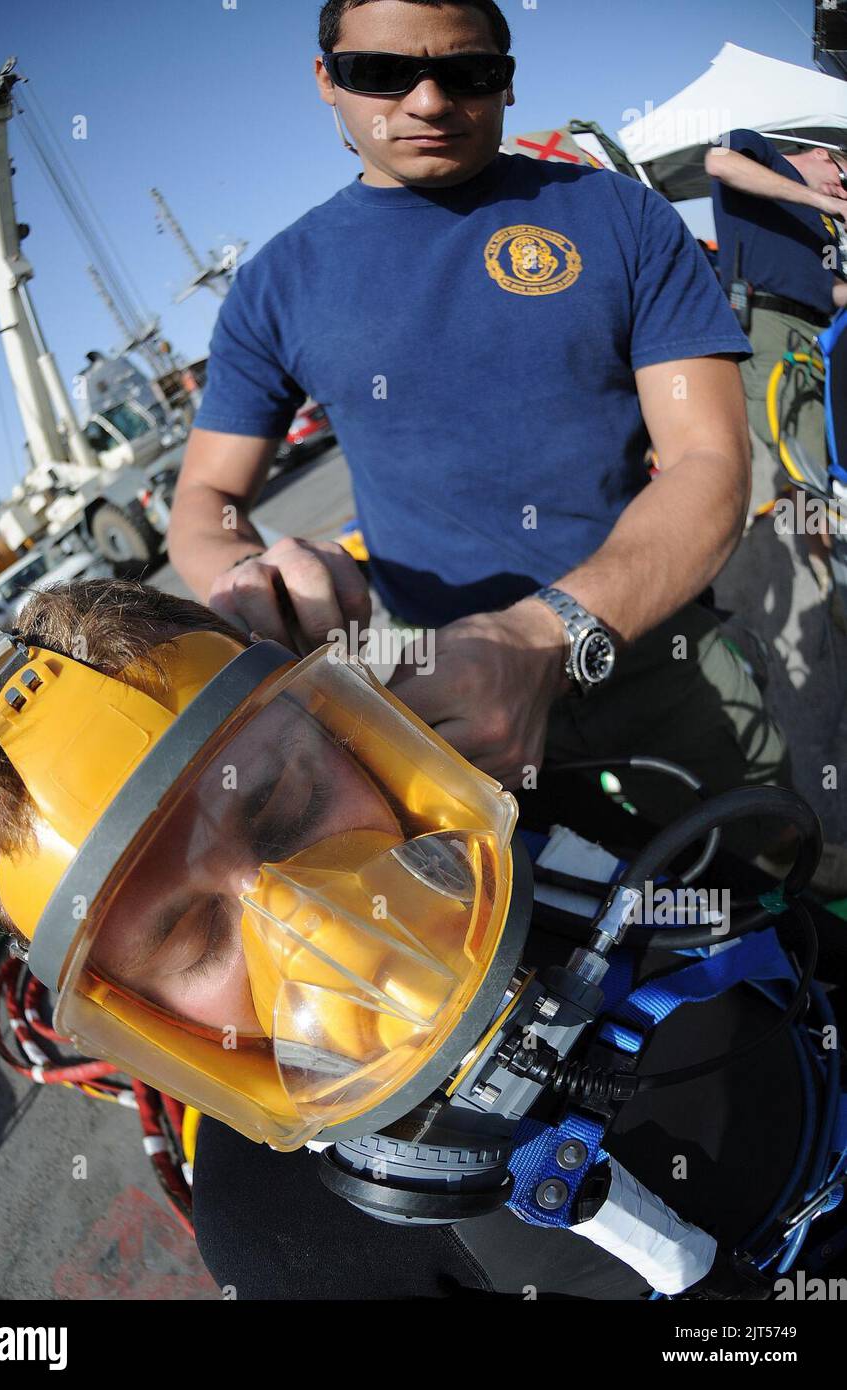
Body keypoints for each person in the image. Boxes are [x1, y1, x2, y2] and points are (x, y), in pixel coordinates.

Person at [0, 577, 833, 1300]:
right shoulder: (284, 1236)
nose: (329, 932)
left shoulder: (551, 841)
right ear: (146, 1022)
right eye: (191, 937)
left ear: (348, 734)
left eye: (290, 806)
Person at [168, 0, 812, 877]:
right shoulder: (274, 286)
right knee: (544, 924)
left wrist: (544, 635)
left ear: (507, 79)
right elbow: (205, 499)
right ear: (326, 79)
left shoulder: (618, 217)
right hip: (433, 690)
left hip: (651, 645)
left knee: (771, 861)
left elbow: (710, 462)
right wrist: (243, 576)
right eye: (381, 73)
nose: (429, 102)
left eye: (466, 72)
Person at [706, 129, 847, 461]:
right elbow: (719, 161)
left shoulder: (823, 220)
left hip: (818, 333)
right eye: (845, 180)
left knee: (831, 451)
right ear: (822, 154)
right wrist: (826, 202)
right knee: (807, 456)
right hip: (770, 322)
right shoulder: (754, 145)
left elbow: (829, 290)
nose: (843, 193)